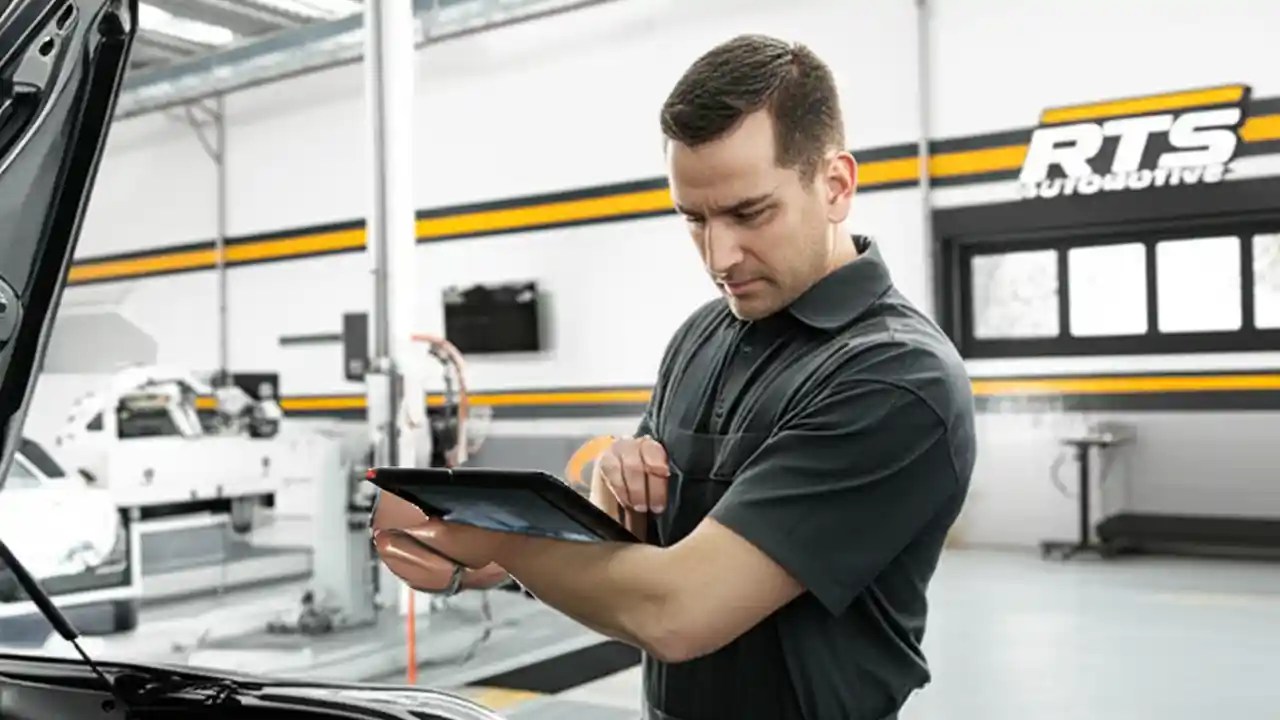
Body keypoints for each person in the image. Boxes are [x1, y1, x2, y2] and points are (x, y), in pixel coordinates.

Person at [370, 33, 976, 720]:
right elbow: (625, 556)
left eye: (749, 213)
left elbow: (676, 610)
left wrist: (504, 540)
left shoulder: (897, 377)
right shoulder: (702, 335)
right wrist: (480, 540)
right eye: (694, 219)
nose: (719, 257)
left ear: (835, 185)